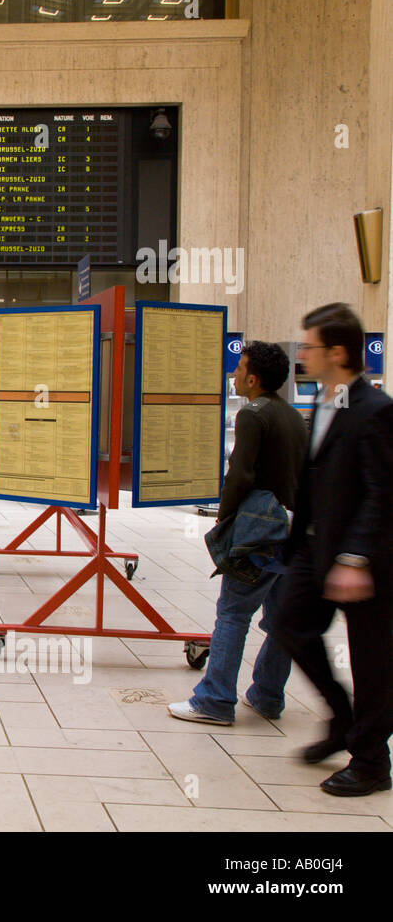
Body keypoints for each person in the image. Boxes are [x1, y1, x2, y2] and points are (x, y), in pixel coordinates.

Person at [274, 303, 393, 796]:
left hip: (362, 559)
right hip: (314, 548)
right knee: (285, 622)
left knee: (372, 661)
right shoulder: (323, 403)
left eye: (310, 346)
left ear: (338, 352)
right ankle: (342, 717)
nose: (302, 354)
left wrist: (355, 557)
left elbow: (382, 492)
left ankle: (370, 761)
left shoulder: (376, 411)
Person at [168, 341, 306, 726]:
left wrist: (224, 518)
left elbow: (240, 474)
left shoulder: (252, 415)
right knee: (280, 621)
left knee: (232, 613)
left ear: (253, 378)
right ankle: (267, 696)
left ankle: (214, 701)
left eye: (239, 368)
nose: (233, 374)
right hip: (291, 532)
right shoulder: (293, 417)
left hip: (258, 535)